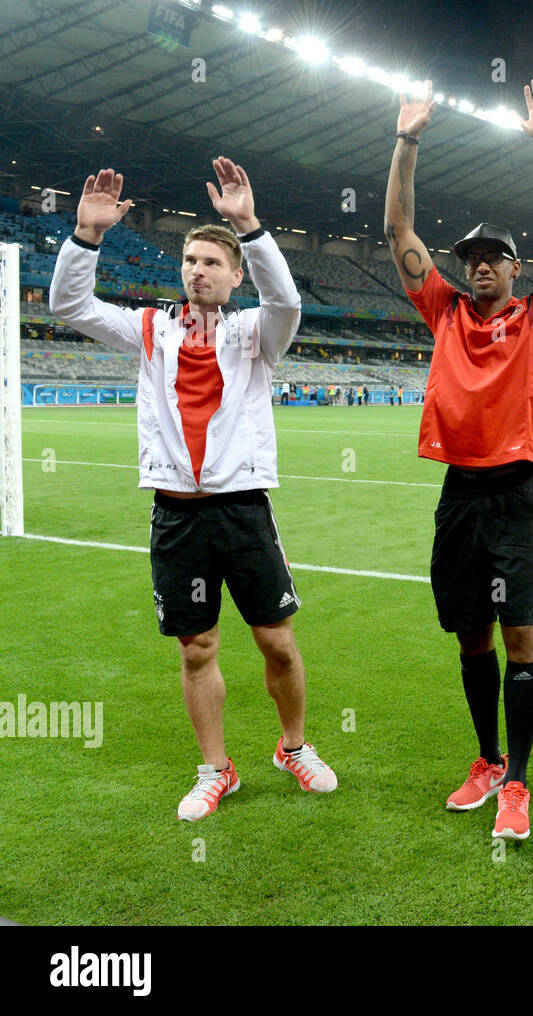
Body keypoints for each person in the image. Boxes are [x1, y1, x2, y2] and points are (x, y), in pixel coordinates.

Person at [49, 161, 337, 821]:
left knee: (277, 641)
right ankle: (216, 769)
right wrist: (87, 237)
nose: (197, 269)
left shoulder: (253, 334)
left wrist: (250, 227)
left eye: (212, 260)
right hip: (176, 515)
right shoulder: (149, 328)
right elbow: (69, 305)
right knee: (197, 646)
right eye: (190, 259)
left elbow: (287, 303)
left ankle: (294, 747)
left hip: (243, 511)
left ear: (236, 275)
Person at [384, 78, 533, 842]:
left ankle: (520, 783)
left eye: (495, 257)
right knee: (471, 634)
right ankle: (488, 759)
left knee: (523, 636)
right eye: (471, 258)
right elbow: (398, 224)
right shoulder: (443, 310)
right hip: (459, 494)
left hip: (518, 494)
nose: (480, 266)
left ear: (514, 267)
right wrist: (407, 140)